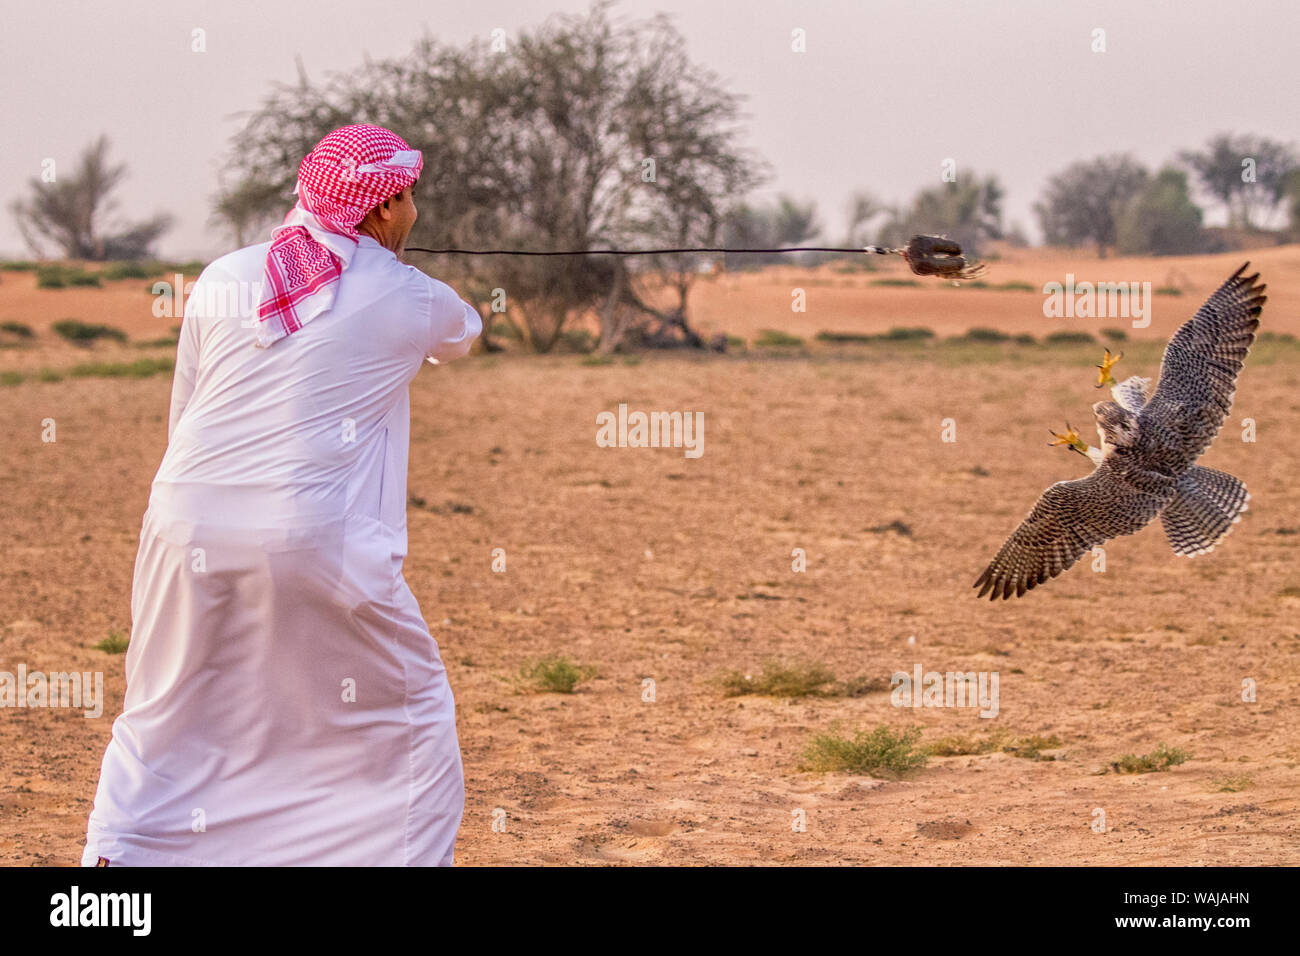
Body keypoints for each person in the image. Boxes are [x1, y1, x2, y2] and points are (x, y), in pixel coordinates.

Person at [81, 125, 480, 866]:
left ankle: (121, 855)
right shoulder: (408, 296)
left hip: (178, 525)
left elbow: (188, 410)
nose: (416, 209)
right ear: (386, 206)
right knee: (413, 712)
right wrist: (391, 269)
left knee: (166, 707)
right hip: (306, 537)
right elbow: (464, 332)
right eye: (411, 196)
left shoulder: (225, 275)